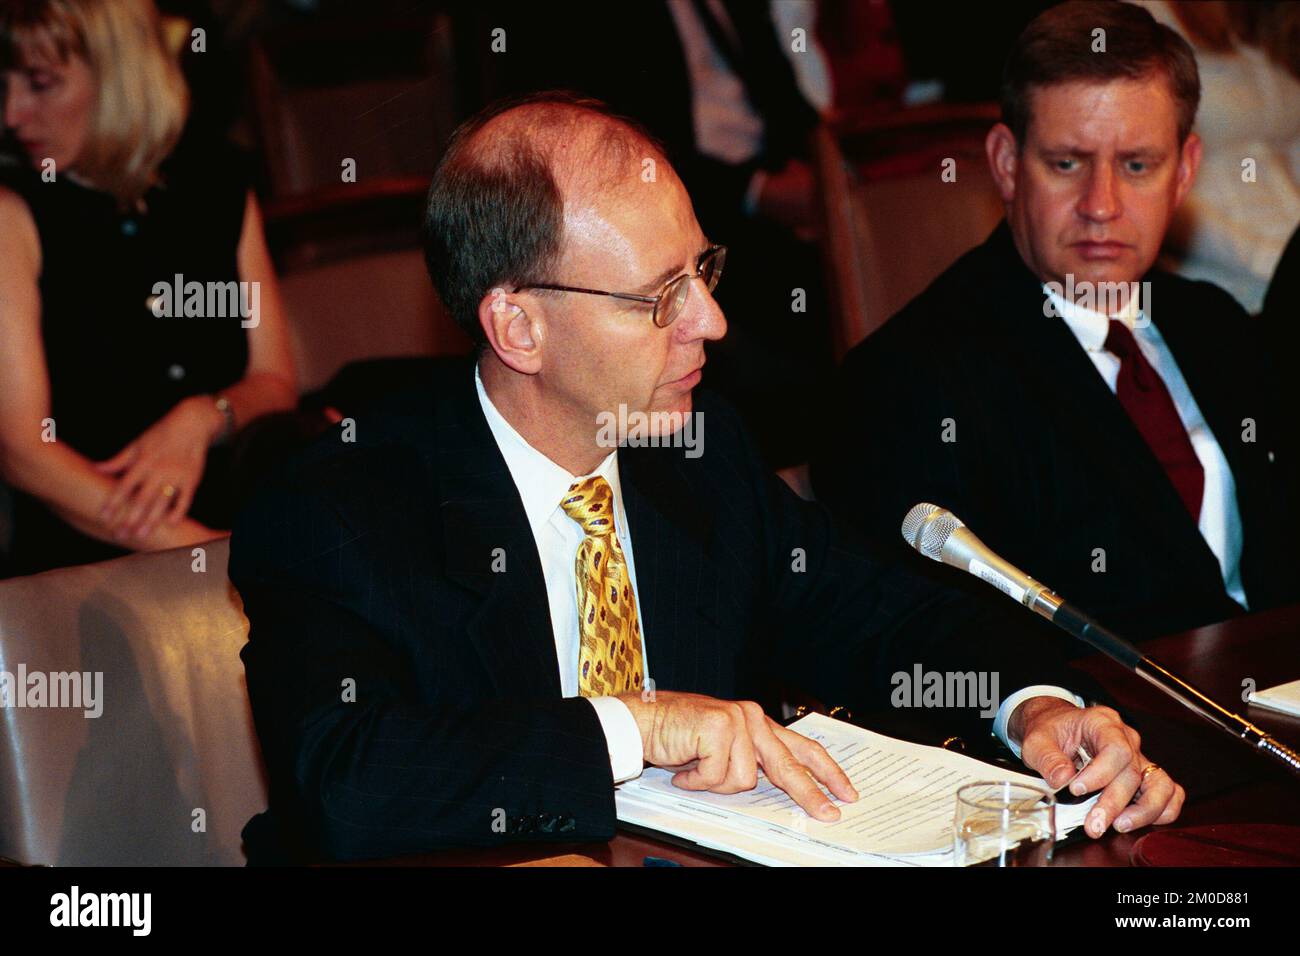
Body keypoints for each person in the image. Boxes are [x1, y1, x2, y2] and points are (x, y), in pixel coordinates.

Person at [228, 89, 1182, 864]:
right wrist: (633, 728)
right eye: (659, 298)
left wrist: (1037, 709)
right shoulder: (338, 508)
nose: (712, 323)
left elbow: (893, 619)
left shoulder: (696, 456)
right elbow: (347, 779)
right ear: (518, 327)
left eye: (703, 271)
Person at [812, 1, 1298, 641]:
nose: (1102, 206)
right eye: (1067, 163)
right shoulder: (906, 384)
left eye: (1137, 165)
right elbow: (926, 641)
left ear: (1184, 171)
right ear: (1008, 164)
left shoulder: (1219, 327)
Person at [0, 0, 297, 577]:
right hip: (89, 557)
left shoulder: (218, 178)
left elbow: (275, 379)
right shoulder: (13, 208)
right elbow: (22, 450)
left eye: (40, 84)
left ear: (119, 76)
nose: (11, 113)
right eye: (2, 83)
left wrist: (202, 417)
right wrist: (203, 550)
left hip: (232, 517)